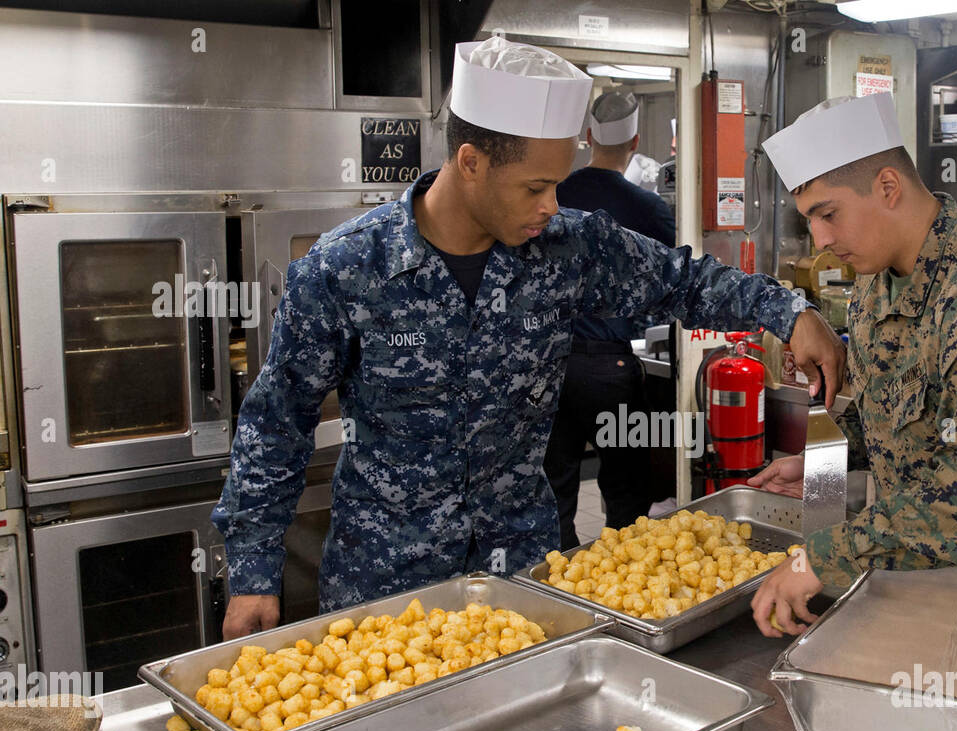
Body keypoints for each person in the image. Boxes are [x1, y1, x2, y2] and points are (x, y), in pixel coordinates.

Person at [213, 36, 844, 639]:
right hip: (384, 591)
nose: (550, 205)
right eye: (535, 187)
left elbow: (683, 279)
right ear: (470, 163)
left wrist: (790, 311)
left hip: (521, 579)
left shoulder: (567, 248)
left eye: (557, 184)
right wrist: (252, 571)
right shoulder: (348, 268)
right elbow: (276, 424)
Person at [749, 93, 957, 638]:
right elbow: (905, 413)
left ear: (887, 187)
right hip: (927, 587)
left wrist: (823, 558)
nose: (822, 240)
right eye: (809, 219)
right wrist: (829, 460)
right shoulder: (876, 280)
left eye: (828, 214)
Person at [545, 91, 675, 549]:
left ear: (586, 137)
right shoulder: (648, 209)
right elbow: (674, 278)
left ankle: (555, 585)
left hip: (550, 365)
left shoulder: (553, 195)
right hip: (609, 372)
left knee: (555, 487)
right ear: (635, 141)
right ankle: (619, 583)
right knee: (624, 488)